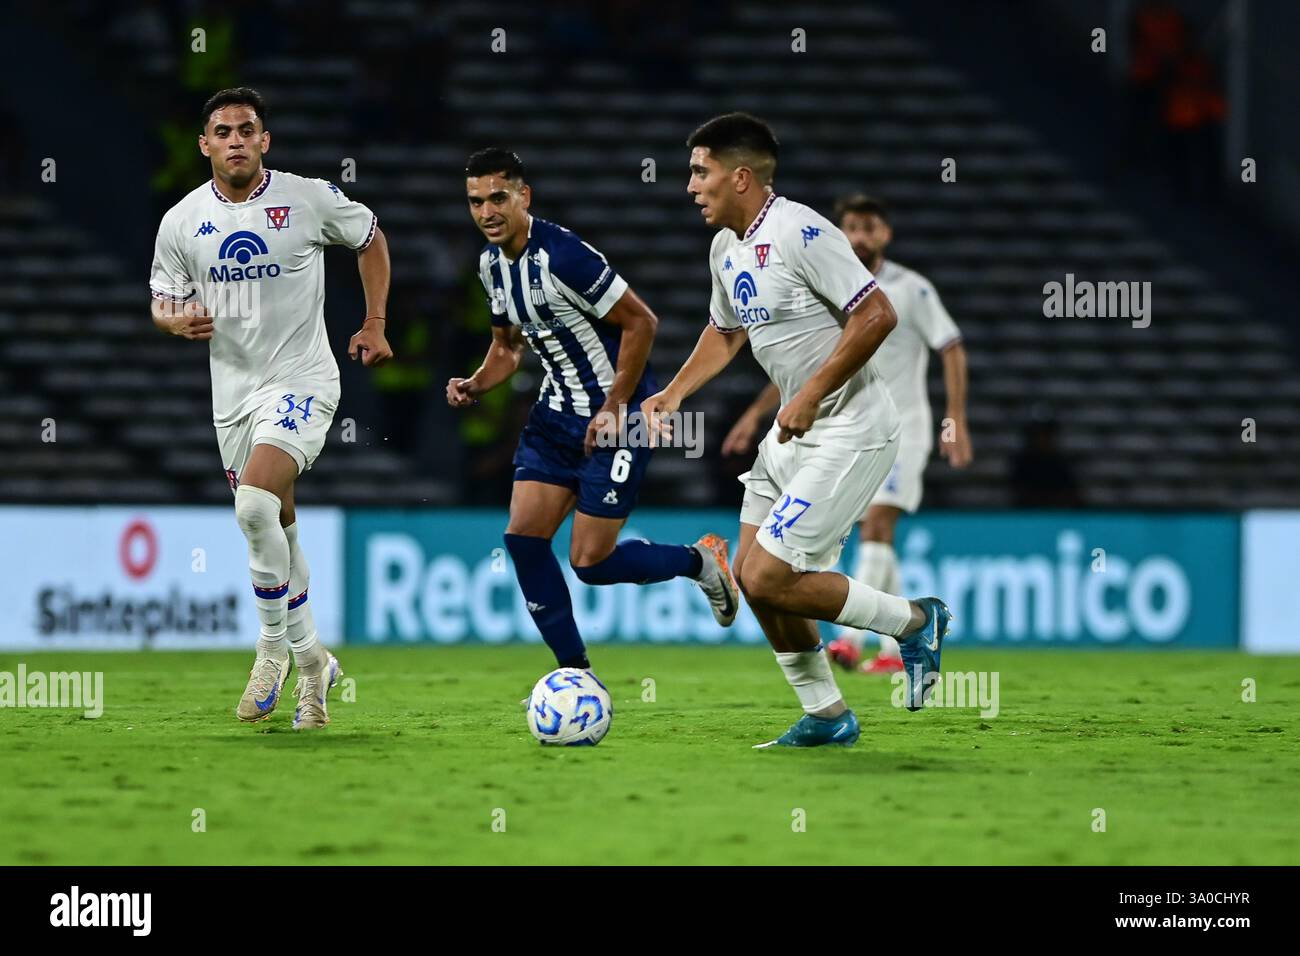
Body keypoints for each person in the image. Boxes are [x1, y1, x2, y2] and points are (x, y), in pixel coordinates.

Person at [643, 113, 952, 748]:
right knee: (759, 581)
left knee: (763, 577)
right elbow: (726, 331)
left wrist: (811, 393)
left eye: (701, 172)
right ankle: (828, 716)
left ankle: (915, 620)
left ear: (742, 177)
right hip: (793, 433)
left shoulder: (803, 230)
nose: (691, 186)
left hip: (851, 428)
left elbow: (876, 314)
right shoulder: (726, 247)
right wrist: (673, 392)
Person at [149, 87, 394, 730]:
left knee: (253, 504)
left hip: (303, 380)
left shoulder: (306, 197)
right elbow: (161, 299)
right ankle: (313, 662)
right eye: (222, 131)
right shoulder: (181, 221)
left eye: (247, 129)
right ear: (205, 145)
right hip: (232, 397)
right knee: (277, 523)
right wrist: (176, 320)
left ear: (265, 140)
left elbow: (370, 236)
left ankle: (270, 648)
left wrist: (373, 320)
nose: (235, 140)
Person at [448, 148, 737, 684]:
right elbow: (508, 350)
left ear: (523, 196)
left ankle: (699, 561)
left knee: (590, 564)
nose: (486, 211)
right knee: (524, 540)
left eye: (497, 198)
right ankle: (574, 674)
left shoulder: (564, 256)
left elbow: (642, 323)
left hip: (616, 424)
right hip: (553, 421)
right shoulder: (491, 267)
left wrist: (613, 407)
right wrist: (476, 383)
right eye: (475, 201)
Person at [722, 195, 971, 675]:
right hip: (839, 429)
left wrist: (954, 418)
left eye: (869, 227)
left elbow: (951, 346)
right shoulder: (829, 288)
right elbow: (809, 368)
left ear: (885, 234)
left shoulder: (911, 289)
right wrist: (756, 414)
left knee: (878, 525)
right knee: (875, 535)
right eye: (850, 227)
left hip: (901, 426)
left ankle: (853, 643)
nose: (859, 237)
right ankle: (906, 637)